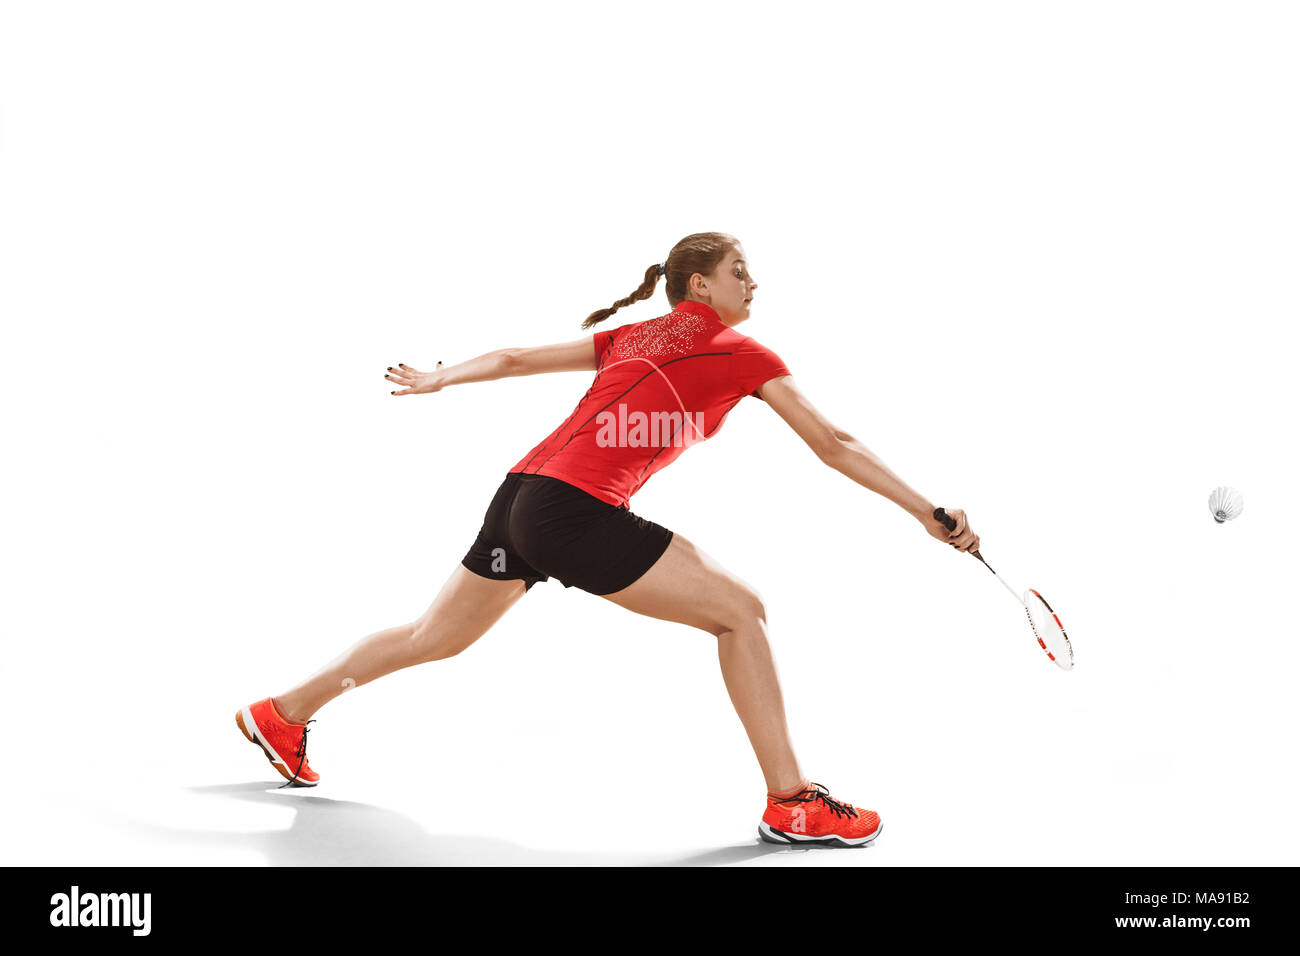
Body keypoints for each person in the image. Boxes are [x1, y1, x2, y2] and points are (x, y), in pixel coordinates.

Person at [235, 231, 980, 849]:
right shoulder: (743, 353)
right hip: (574, 510)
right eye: (740, 272)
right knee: (742, 612)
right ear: (699, 286)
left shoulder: (635, 333)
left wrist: (443, 377)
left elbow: (516, 359)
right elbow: (833, 441)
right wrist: (924, 510)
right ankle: (792, 801)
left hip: (520, 495)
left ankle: (282, 713)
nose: (754, 284)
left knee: (437, 634)